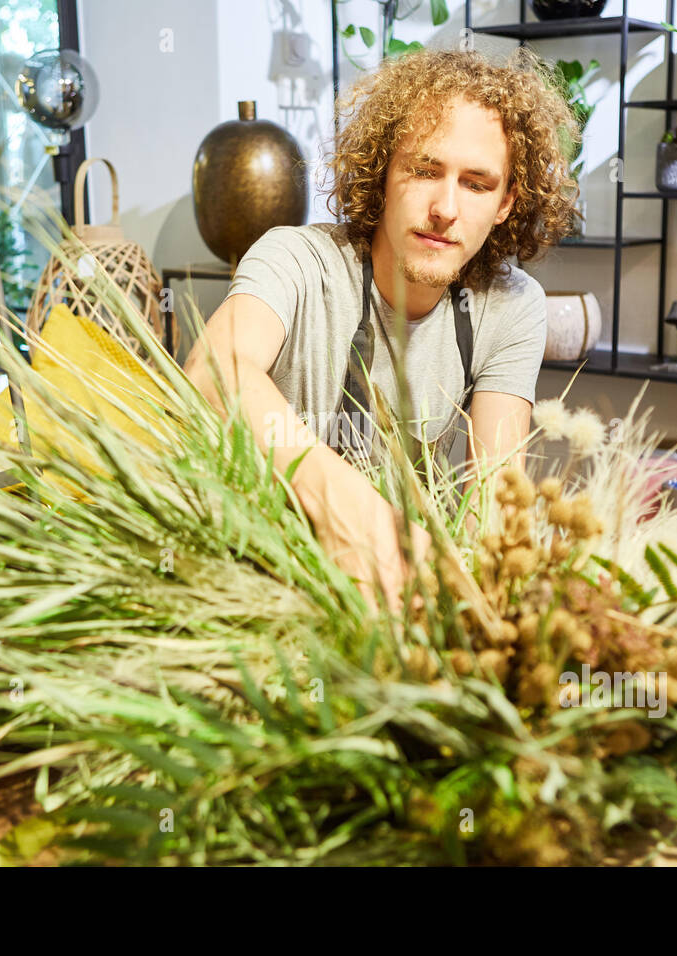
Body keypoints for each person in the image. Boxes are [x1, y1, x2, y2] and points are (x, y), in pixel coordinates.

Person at [185, 47, 577, 609]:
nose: (445, 208)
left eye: (476, 184)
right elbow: (212, 372)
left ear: (506, 203)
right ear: (384, 171)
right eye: (424, 170)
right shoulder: (297, 260)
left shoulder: (511, 306)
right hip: (262, 585)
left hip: (402, 602)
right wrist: (350, 509)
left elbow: (493, 506)